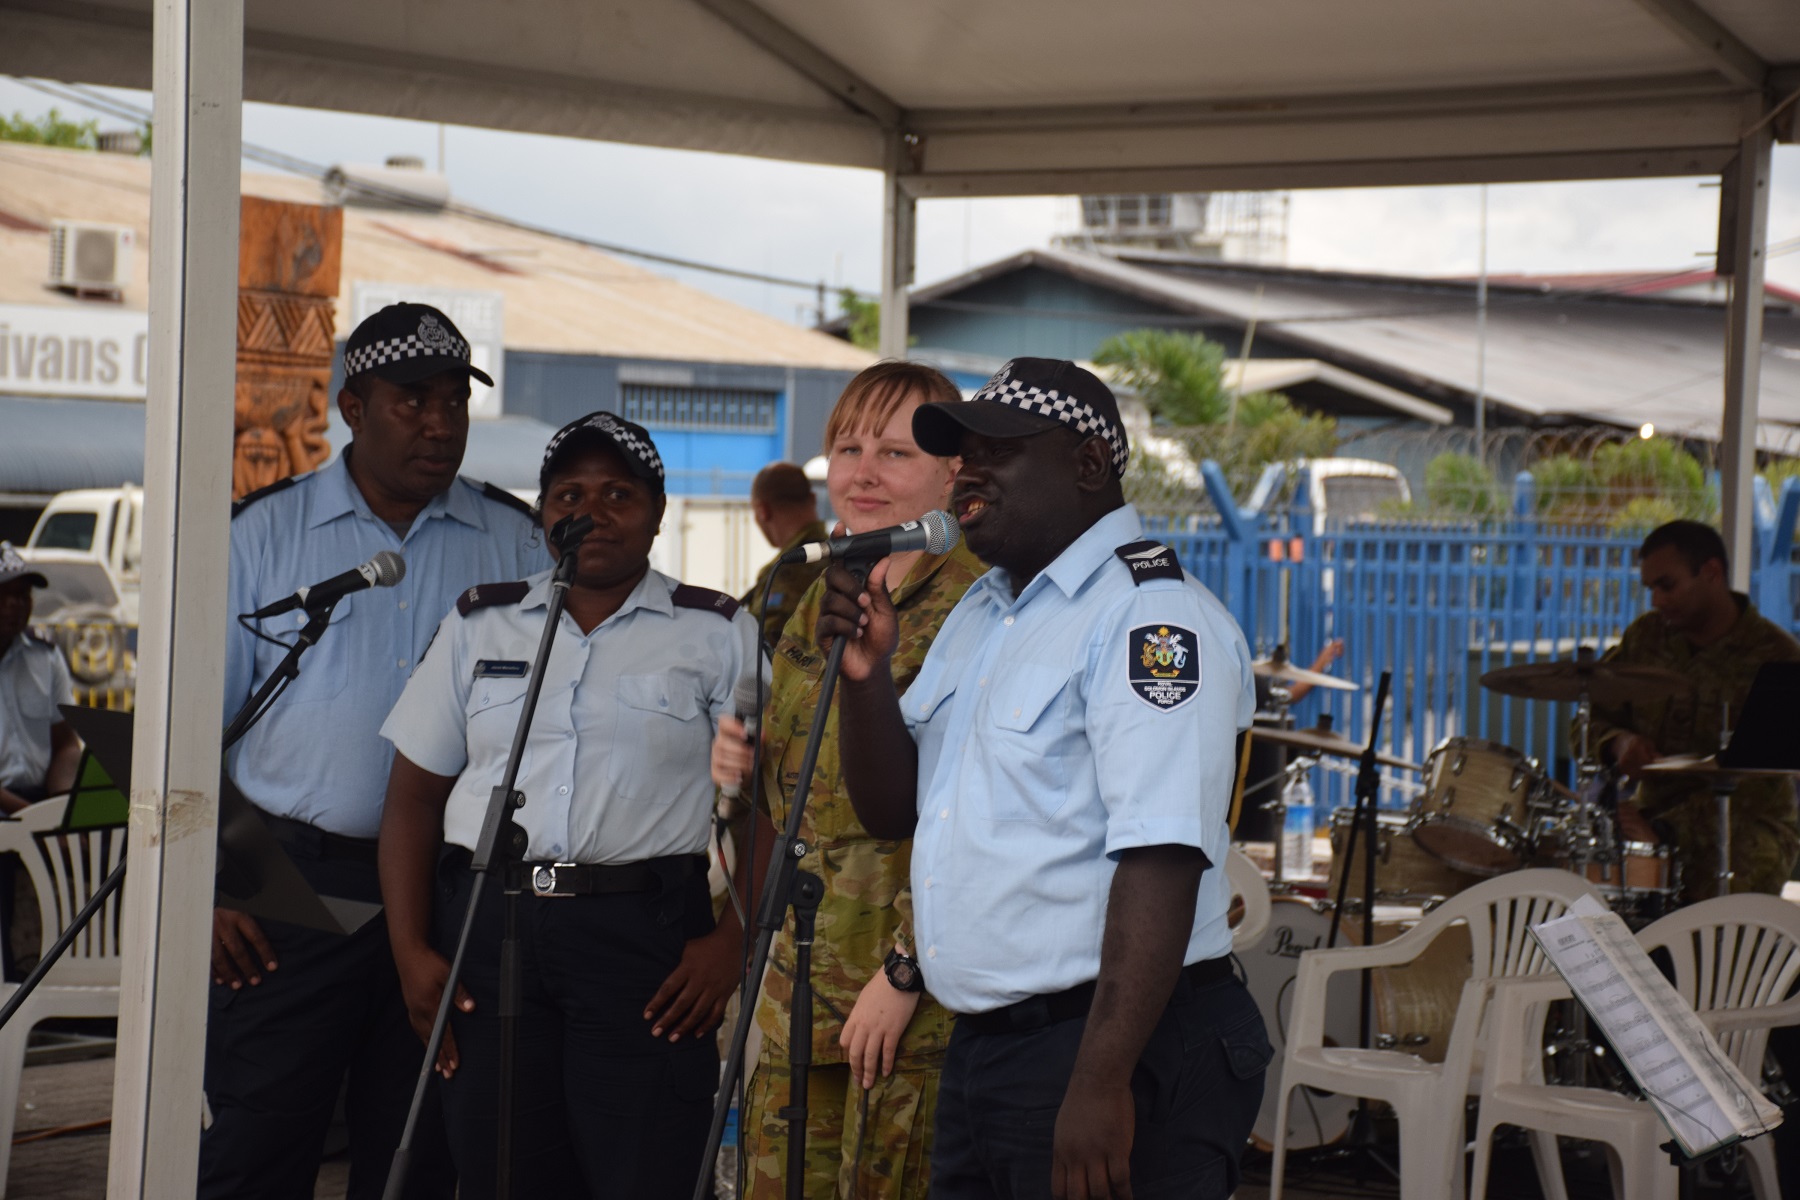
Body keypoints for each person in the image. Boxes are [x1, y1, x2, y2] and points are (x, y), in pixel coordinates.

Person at [819, 358, 1269, 1200]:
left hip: (1113, 1043)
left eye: (996, 451)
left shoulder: (1147, 618)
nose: (966, 472)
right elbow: (892, 810)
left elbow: (1161, 859)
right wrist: (865, 678)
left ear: (1090, 465)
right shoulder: (987, 612)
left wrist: (1100, 1083)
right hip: (992, 1047)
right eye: (959, 453)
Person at [206, 302, 548, 1200]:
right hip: (285, 889)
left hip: (447, 897)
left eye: (454, 403)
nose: (440, 425)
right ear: (352, 406)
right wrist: (210, 883)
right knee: (257, 1143)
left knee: (418, 1156)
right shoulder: (258, 537)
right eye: (412, 402)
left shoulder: (516, 543)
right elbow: (181, 732)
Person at [378, 411, 761, 1199]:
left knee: (643, 1171)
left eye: (619, 493)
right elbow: (414, 800)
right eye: (569, 493)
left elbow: (767, 806)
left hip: (643, 944)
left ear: (658, 514)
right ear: (544, 514)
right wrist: (411, 951)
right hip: (491, 933)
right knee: (500, 1171)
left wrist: (735, 939)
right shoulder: (479, 623)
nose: (591, 510)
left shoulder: (716, 632)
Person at [711, 361, 984, 1200]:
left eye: (895, 453)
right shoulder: (820, 592)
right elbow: (797, 786)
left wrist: (908, 972)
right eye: (848, 446)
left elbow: (979, 816)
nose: (862, 471)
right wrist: (742, 767)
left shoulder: (979, 605)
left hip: (901, 998)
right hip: (796, 982)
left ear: (954, 471)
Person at [1591, 519, 1800, 903]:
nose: (1656, 600)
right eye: (1650, 588)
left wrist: (1666, 831)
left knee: (1726, 886)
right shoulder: (1645, 638)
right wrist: (1617, 743)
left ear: (1711, 573)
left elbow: (1767, 780)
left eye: (1666, 585)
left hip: (1745, 828)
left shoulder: (1777, 656)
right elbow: (1593, 718)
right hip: (1653, 815)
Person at [0, 543, 79, 813]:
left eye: (23, 595)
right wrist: (37, 821)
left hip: (42, 800)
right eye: (5, 594)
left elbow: (66, 745)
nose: (16, 604)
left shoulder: (45, 656)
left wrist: (62, 809)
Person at [741, 461, 829, 647]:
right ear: (813, 499)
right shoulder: (838, 553)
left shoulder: (784, 572)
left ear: (763, 512)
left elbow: (764, 650)